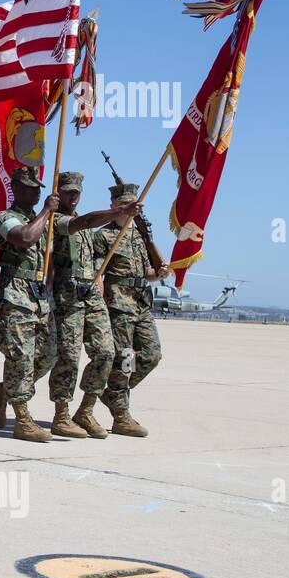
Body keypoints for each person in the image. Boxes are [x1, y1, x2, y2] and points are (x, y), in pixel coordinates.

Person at [46, 172, 139, 438]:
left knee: (106, 353)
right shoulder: (58, 220)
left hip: (91, 294)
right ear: (58, 193)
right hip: (68, 297)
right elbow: (85, 222)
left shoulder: (84, 225)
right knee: (69, 357)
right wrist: (120, 211)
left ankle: (85, 410)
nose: (73, 196)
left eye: (77, 192)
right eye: (68, 192)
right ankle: (61, 414)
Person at [0, 166, 58, 443]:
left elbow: (76, 224)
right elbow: (24, 238)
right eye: (29, 187)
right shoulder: (5, 218)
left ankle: (3, 390)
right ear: (16, 188)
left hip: (39, 297)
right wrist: (47, 211)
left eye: (38, 187)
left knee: (48, 355)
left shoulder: (42, 219)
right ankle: (22, 419)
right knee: (21, 357)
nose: (36, 191)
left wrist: (117, 214)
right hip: (15, 294)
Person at [96, 183, 168, 436]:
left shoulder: (139, 236)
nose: (129, 210)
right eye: (124, 205)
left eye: (133, 206)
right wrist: (101, 299)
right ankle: (121, 415)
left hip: (141, 303)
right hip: (118, 304)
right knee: (124, 358)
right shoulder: (103, 235)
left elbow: (146, 272)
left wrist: (158, 273)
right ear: (113, 206)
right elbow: (98, 274)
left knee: (151, 355)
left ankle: (112, 394)